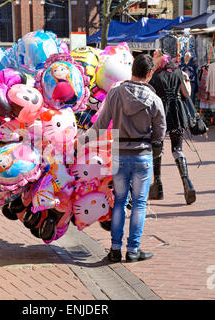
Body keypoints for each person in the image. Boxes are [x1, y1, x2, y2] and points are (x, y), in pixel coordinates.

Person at [77, 54, 166, 263]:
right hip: (142, 155)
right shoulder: (154, 99)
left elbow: (99, 126)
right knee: (139, 204)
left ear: (132, 70)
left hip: (118, 154)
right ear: (150, 74)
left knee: (119, 201)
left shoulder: (115, 93)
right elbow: (160, 131)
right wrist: (150, 139)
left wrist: (80, 141)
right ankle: (133, 250)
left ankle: (115, 249)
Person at [149, 49, 196, 205]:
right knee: (177, 150)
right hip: (177, 113)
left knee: (158, 148)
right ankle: (187, 182)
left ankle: (158, 186)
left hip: (161, 115)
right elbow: (186, 94)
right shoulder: (177, 72)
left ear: (158, 60)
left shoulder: (154, 76)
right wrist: (187, 81)